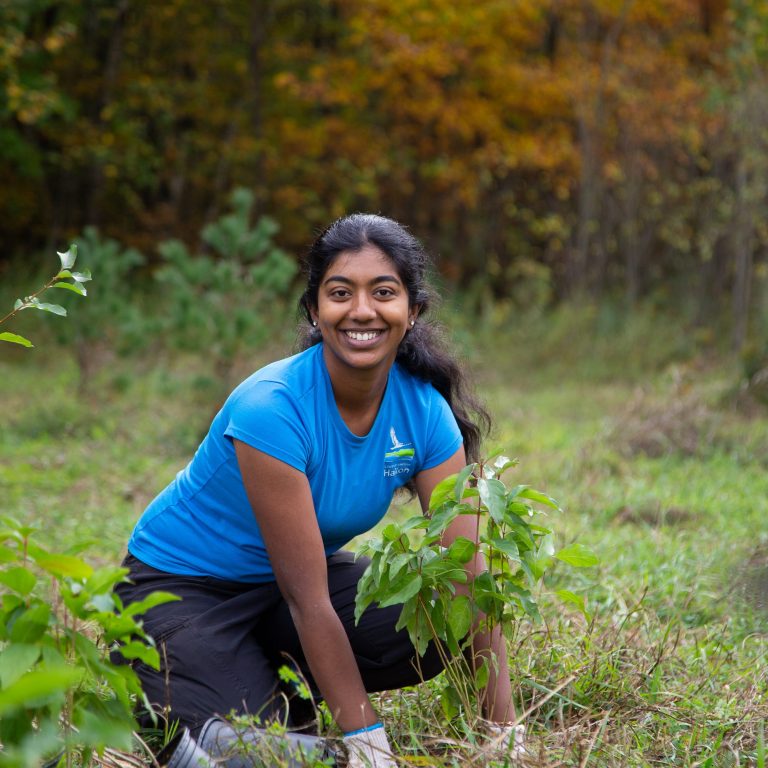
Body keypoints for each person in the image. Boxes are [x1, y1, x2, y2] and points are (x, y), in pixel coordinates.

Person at [117, 214, 525, 766]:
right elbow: (308, 600)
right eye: (340, 293)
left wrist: (503, 733)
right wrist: (368, 746)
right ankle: (170, 691)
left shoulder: (425, 411)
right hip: (181, 589)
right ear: (314, 309)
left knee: (436, 613)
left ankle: (255, 679)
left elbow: (468, 576)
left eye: (384, 292)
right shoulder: (272, 407)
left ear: (412, 311)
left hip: (282, 593)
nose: (362, 310)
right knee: (246, 745)